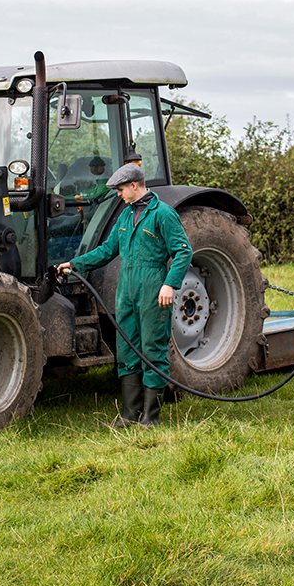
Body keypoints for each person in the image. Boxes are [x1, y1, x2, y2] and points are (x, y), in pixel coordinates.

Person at [57, 163, 191, 428]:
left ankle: (151, 417)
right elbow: (107, 250)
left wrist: (170, 284)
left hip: (153, 286)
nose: (118, 195)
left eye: (120, 189)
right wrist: (75, 263)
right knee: (127, 350)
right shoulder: (125, 217)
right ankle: (130, 415)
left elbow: (183, 251)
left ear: (134, 185)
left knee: (152, 349)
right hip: (126, 289)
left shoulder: (163, 214)